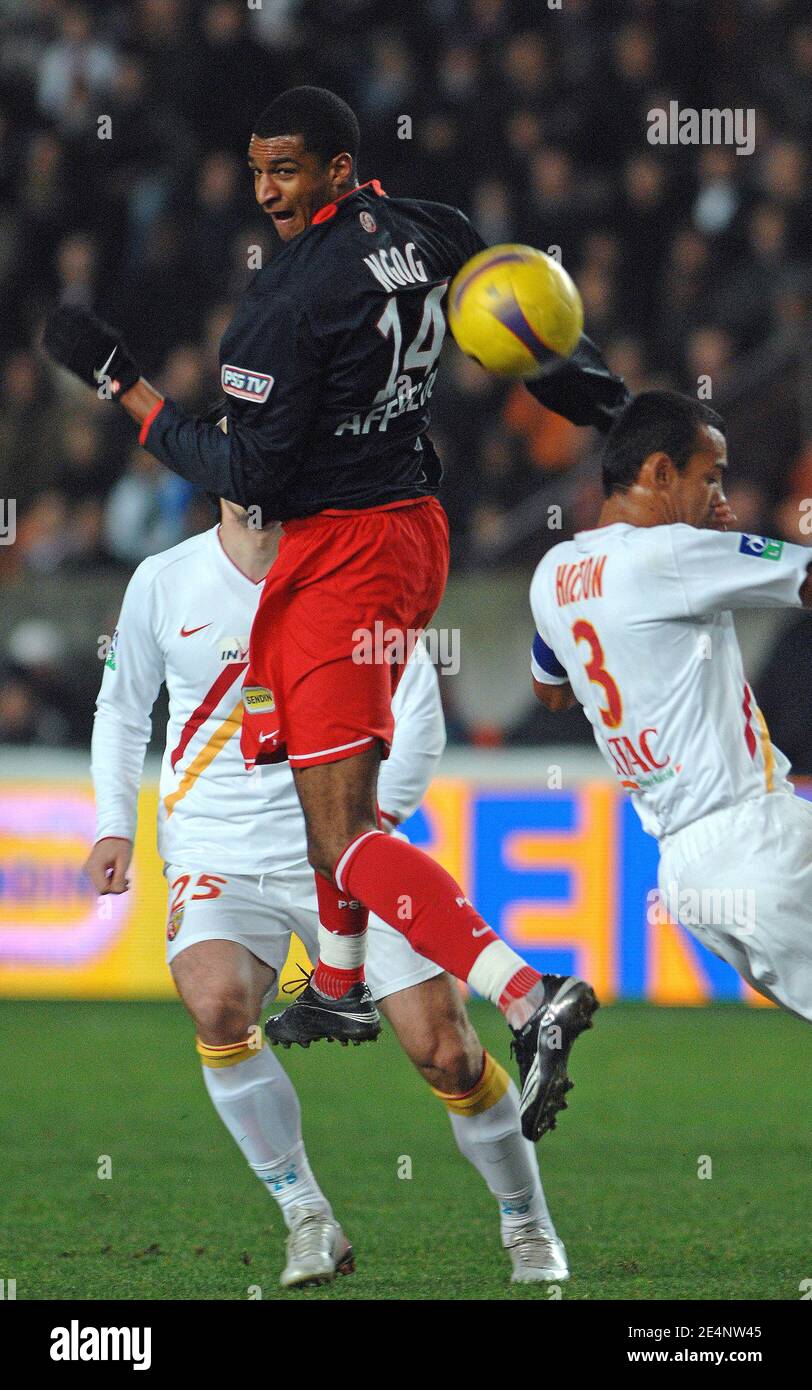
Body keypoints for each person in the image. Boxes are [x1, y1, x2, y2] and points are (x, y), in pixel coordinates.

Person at [44, 86, 620, 1139]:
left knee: (341, 831)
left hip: (339, 555)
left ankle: (529, 994)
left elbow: (247, 474)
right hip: (411, 526)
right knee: (332, 810)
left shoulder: (286, 303)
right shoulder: (432, 229)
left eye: (287, 171)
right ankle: (343, 982)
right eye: (257, 169)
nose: (266, 190)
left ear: (339, 168)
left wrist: (124, 387)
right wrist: (612, 407)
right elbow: (524, 317)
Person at [85, 498, 570, 1287]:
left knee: (446, 1055)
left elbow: (417, 721)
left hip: (340, 855)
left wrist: (362, 836)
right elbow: (121, 707)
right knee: (214, 1005)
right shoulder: (164, 580)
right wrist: (113, 823)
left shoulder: (348, 574)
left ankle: (526, 1220)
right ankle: (306, 1216)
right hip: (218, 850)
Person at [529, 390, 812, 1024]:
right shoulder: (673, 556)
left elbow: (549, 690)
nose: (722, 501)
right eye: (709, 478)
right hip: (755, 838)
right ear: (660, 473)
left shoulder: (552, 574)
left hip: (688, 877)